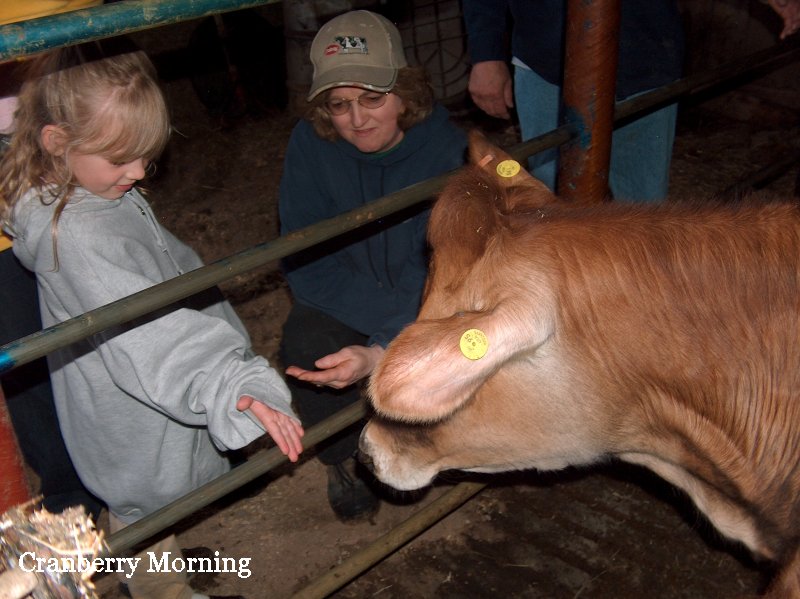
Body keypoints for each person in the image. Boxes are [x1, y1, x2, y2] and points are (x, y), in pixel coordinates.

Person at [0, 39, 303, 599]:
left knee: (143, 518)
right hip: (137, 418)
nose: (140, 172)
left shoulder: (81, 189)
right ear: (57, 142)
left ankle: (155, 575)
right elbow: (152, 332)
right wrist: (228, 382)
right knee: (141, 520)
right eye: (122, 158)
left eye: (147, 155)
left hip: (135, 405)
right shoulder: (83, 233)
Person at [278, 10, 467, 521]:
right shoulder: (311, 146)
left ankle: (442, 442)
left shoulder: (449, 152)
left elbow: (441, 267)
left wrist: (385, 345)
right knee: (306, 347)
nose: (357, 119)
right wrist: (375, 338)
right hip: (352, 297)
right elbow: (306, 258)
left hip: (431, 299)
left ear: (405, 92)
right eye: (339, 105)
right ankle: (343, 459)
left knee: (469, 338)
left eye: (372, 98)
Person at [0, 0, 104, 519]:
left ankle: (132, 504)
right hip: (5, 234)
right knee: (31, 366)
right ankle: (74, 508)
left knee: (101, 339)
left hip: (77, 183)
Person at [462, 0, 685, 203]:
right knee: (547, 196)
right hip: (546, 64)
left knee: (643, 206)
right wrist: (486, 54)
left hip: (644, 58)